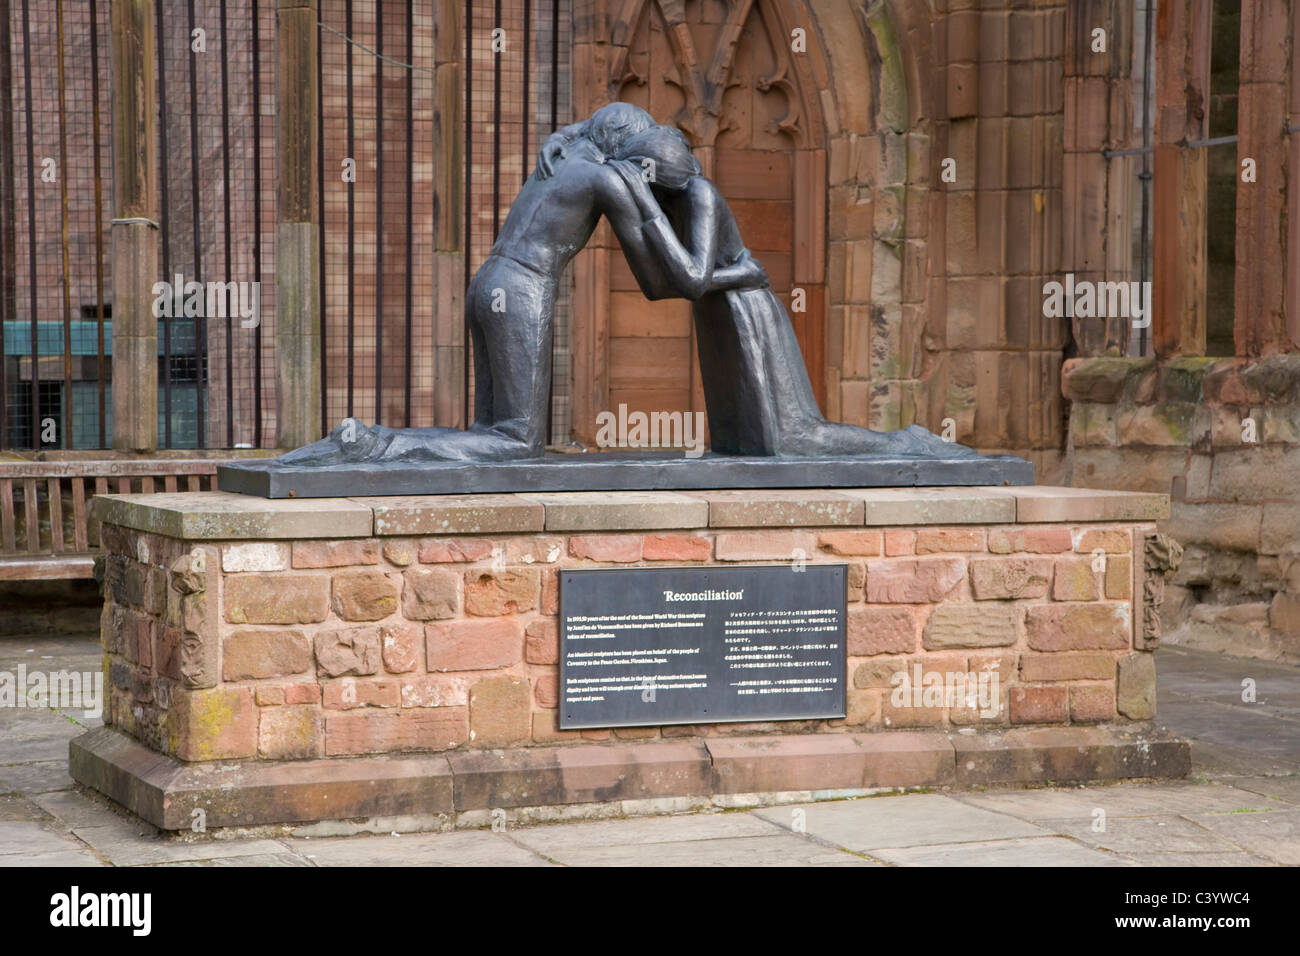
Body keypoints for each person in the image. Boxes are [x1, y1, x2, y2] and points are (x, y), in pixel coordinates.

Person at [278, 103, 766, 464]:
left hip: (488, 281)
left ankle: (375, 441)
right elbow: (662, 282)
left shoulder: (564, 153)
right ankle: (371, 442)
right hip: (522, 291)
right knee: (516, 442)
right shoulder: (609, 180)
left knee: (488, 433)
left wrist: (567, 131)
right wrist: (648, 199)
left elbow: (591, 126)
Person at [607, 123, 973, 458]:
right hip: (719, 312)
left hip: (748, 311)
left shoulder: (700, 194)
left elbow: (694, 280)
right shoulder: (669, 207)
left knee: (794, 438)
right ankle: (904, 444)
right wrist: (744, 273)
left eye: (637, 182)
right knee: (743, 444)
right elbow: (659, 287)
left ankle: (906, 443)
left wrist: (644, 205)